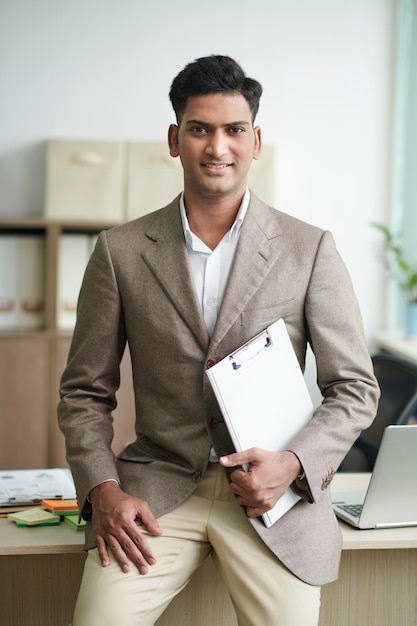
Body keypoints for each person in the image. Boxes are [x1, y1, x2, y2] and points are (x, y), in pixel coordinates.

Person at [58, 54, 379, 626]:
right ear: (174, 138)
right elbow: (85, 392)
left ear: (255, 141)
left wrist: (294, 465)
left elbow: (354, 387)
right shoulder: (120, 251)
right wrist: (101, 488)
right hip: (155, 492)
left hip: (271, 494)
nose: (217, 147)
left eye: (233, 130)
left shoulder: (309, 249)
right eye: (200, 129)